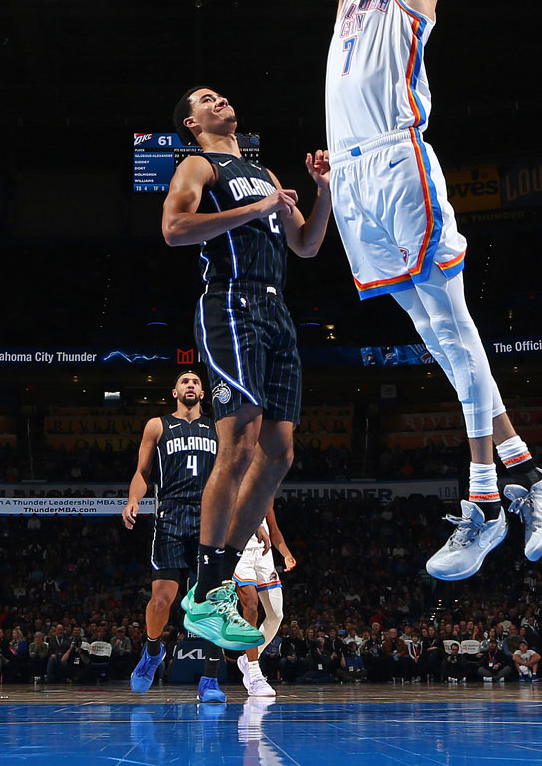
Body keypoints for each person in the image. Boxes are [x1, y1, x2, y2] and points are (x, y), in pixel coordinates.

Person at [305, 0, 542, 581]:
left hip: (400, 164)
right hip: (354, 180)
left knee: (453, 328)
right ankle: (531, 476)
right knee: (436, 335)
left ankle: (487, 504)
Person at [163, 85, 332, 694]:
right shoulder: (198, 165)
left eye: (221, 94)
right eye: (206, 99)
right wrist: (255, 209)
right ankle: (209, 586)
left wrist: (323, 190)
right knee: (239, 444)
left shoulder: (265, 173)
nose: (220, 100)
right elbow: (175, 229)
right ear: (192, 121)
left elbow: (306, 245)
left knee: (280, 454)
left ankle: (214, 582)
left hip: (276, 311)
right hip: (229, 307)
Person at [122, 371, 217, 696]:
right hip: (171, 515)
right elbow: (142, 472)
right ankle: (152, 651)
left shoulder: (218, 428)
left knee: (211, 601)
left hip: (209, 516)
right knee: (162, 600)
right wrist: (133, 499)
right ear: (174, 391)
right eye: (184, 381)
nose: (190, 384)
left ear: (203, 393)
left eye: (196, 382)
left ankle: (210, 680)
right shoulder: (157, 425)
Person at [233, 501, 293, 698]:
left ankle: (250, 656)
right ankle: (253, 671)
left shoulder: (266, 490)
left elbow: (273, 528)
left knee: (276, 614)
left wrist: (286, 554)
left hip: (264, 554)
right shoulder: (232, 486)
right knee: (251, 606)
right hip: (240, 551)